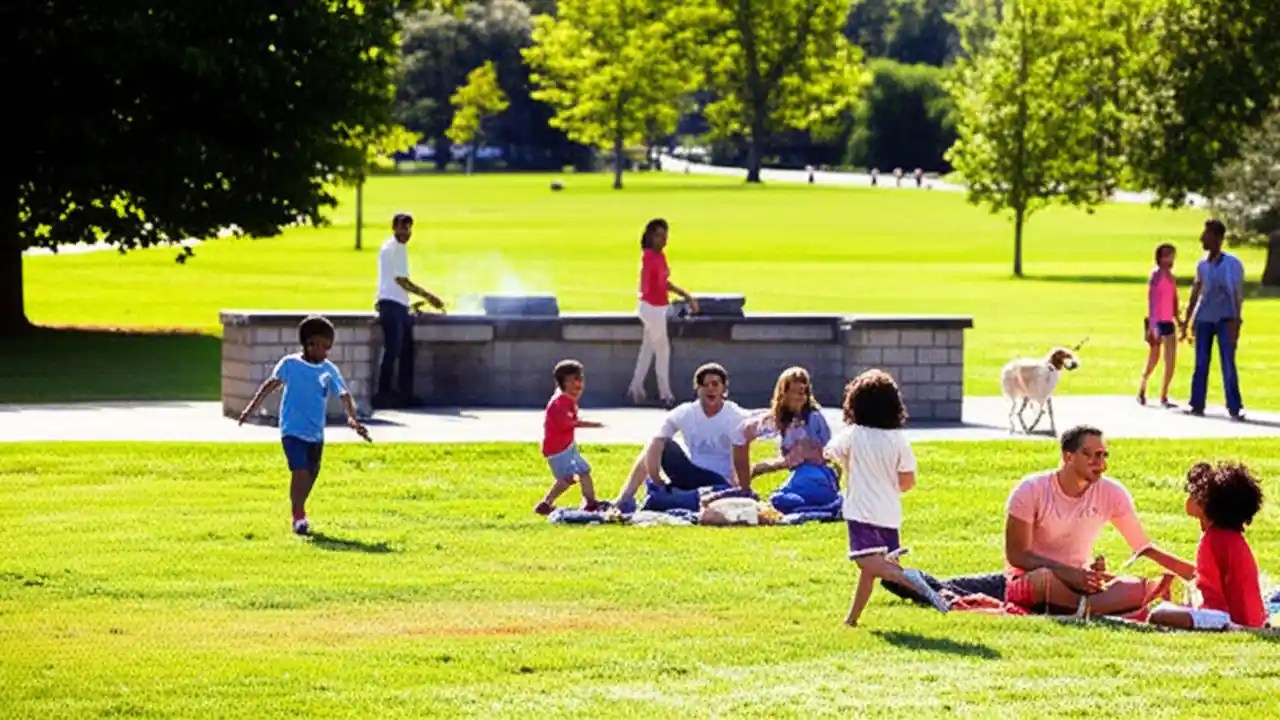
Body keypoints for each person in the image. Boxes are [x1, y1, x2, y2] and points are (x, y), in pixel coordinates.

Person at [1003, 425, 1195, 615]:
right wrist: (1065, 572)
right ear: (1067, 457)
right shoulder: (1030, 490)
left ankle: (1085, 606)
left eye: (1103, 455)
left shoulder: (1113, 493)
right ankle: (1091, 607)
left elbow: (1143, 547)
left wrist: (1198, 576)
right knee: (1043, 580)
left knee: (1135, 585)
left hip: (1081, 582)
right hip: (1033, 579)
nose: (1101, 464)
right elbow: (1018, 556)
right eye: (1091, 455)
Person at [825, 369, 951, 626]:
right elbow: (907, 482)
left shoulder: (853, 434)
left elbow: (830, 452)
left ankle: (909, 578)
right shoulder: (899, 440)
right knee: (871, 570)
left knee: (865, 560)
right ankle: (851, 619)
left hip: (861, 511)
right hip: (890, 514)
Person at [238, 315, 370, 535]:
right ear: (309, 345)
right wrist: (250, 409)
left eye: (328, 347)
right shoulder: (290, 364)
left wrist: (353, 419)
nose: (325, 352)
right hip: (292, 429)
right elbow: (270, 385)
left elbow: (344, 394)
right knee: (299, 472)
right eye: (322, 347)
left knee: (310, 475)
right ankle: (299, 517)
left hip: (315, 433)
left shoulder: (329, 369)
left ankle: (298, 508)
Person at [613, 363, 749, 510]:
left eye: (715, 384)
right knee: (662, 445)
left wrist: (743, 489)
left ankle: (669, 498)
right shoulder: (685, 412)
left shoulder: (736, 416)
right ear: (697, 389)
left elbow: (742, 457)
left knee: (672, 499)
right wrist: (657, 478)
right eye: (705, 385)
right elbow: (657, 442)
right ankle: (624, 498)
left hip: (719, 481)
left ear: (724, 389)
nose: (710, 389)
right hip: (689, 474)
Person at [1149, 462, 1268, 630]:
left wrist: (1193, 614)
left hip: (1226, 619)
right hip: (1251, 619)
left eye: (1193, 493)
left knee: (1158, 613)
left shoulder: (1212, 539)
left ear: (1204, 502)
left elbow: (1212, 598)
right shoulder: (1232, 538)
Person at [732, 367, 838, 506]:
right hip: (801, 475)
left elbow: (827, 454)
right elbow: (743, 433)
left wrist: (761, 468)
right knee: (780, 499)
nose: (800, 397)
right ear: (784, 394)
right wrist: (753, 472)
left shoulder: (813, 419)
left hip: (817, 475)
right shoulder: (782, 421)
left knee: (778, 500)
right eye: (795, 392)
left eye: (804, 392)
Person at [374, 212, 446, 409]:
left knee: (405, 350)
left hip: (396, 304)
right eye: (403, 227)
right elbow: (401, 280)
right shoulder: (395, 249)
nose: (407, 232)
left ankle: (403, 393)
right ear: (394, 227)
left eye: (409, 228)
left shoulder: (392, 247)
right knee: (394, 350)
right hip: (392, 305)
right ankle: (384, 393)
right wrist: (429, 296)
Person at [627, 218, 699, 409]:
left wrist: (684, 295)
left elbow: (662, 283)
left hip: (651, 307)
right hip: (653, 308)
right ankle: (665, 394)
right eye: (660, 236)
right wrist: (684, 298)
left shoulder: (656, 256)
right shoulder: (651, 257)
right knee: (662, 351)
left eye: (665, 236)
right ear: (651, 236)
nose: (664, 240)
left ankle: (636, 388)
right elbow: (659, 285)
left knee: (648, 349)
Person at [1183, 218, 1246, 420]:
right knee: (1201, 362)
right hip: (1204, 318)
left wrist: (1236, 322)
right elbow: (1196, 291)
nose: (1203, 239)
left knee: (1228, 362)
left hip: (1225, 318)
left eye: (1207, 235)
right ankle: (1197, 403)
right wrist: (1188, 320)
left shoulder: (1232, 264)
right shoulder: (1202, 264)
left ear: (1217, 238)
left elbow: (1236, 293)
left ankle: (1235, 406)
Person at [535, 359, 604, 516]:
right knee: (566, 479)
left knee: (583, 471)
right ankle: (546, 503)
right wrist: (592, 424)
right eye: (574, 380)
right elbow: (567, 423)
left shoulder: (566, 399)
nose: (579, 384)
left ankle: (591, 502)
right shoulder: (560, 402)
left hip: (567, 446)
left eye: (580, 379)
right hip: (558, 449)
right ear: (563, 383)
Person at [1138, 243, 1184, 407]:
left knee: (1170, 360)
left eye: (1172, 256)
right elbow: (1153, 301)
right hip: (1156, 322)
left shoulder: (1171, 277)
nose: (1170, 259)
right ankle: (1143, 384)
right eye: (1167, 256)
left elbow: (1174, 300)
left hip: (1168, 322)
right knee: (1154, 358)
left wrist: (1179, 320)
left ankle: (1164, 395)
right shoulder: (1156, 276)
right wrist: (1153, 325)